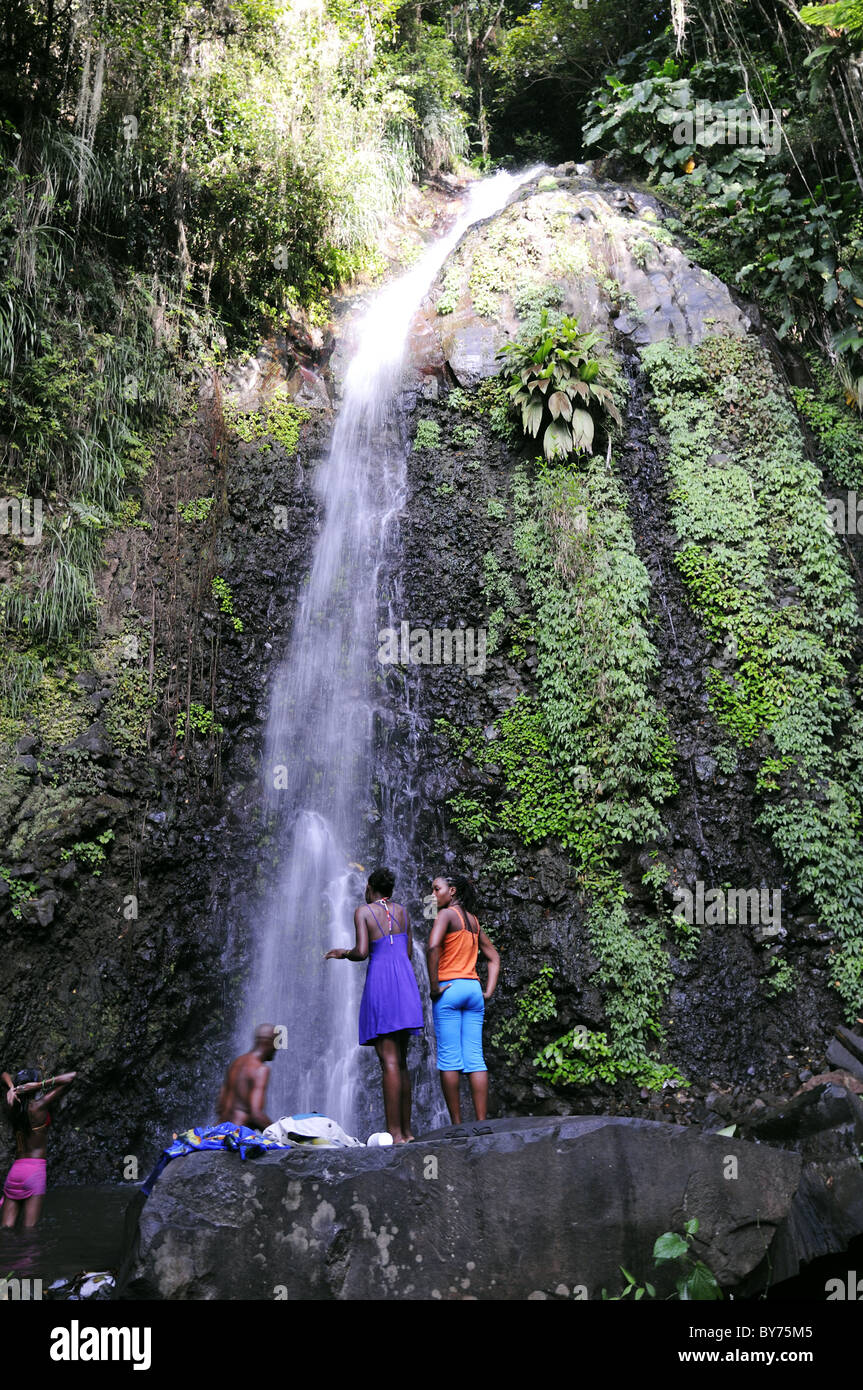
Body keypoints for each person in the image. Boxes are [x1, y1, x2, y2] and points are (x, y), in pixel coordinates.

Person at [325, 867, 423, 1144]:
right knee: (401, 1061)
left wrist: (342, 953)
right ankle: (407, 1132)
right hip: (405, 983)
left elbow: (362, 952)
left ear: (369, 887)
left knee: (388, 1061)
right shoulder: (403, 912)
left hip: (381, 983)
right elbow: (407, 952)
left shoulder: (364, 911)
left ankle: (394, 1134)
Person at [428, 874, 500, 1125]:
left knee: (449, 1059)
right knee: (475, 1058)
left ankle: (457, 1126)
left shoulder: (447, 915)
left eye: (437, 889)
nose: (433, 895)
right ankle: (481, 1123)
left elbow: (432, 947)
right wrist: (488, 991)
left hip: (450, 988)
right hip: (473, 990)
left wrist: (434, 986)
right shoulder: (474, 921)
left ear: (453, 891)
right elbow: (494, 957)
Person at [1, 1066, 77, 1228]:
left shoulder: (10, 1107)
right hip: (34, 1172)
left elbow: (3, 1073)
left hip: (15, 1173)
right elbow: (71, 1077)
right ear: (31, 1086)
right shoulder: (39, 1106)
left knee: (6, 1229)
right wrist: (41, 1084)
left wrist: (10, 1088)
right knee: (29, 1232)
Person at [216, 1024, 278, 1131]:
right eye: (276, 1043)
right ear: (268, 1042)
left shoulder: (236, 1063)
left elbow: (220, 1107)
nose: (277, 1048)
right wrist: (280, 1134)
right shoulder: (260, 1069)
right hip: (237, 1137)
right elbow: (256, 1115)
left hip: (219, 1132)